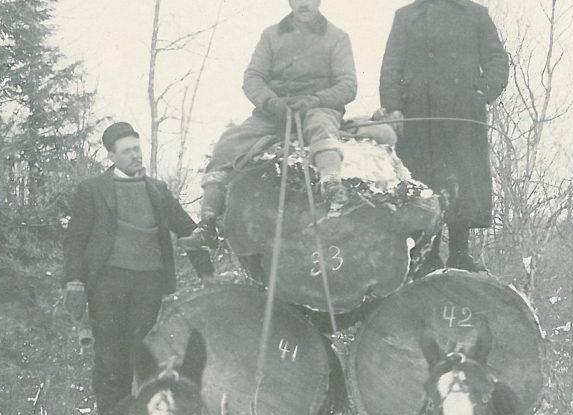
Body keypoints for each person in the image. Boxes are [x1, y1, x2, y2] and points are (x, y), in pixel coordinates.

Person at [62, 121, 214, 415]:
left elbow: (187, 231)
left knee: (145, 363)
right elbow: (75, 240)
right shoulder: (93, 190)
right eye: (128, 151)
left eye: (137, 149)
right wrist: (74, 281)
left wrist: (207, 274)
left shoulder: (157, 191)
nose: (136, 155)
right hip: (108, 286)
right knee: (110, 364)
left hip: (149, 287)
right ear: (112, 155)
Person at [179, 0, 357, 249]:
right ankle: (207, 223)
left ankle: (331, 184)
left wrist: (316, 100)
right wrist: (270, 102)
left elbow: (348, 84)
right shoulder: (271, 35)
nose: (304, 3)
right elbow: (253, 77)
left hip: (316, 107)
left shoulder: (337, 37)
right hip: (273, 113)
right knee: (228, 143)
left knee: (322, 128)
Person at [378, 0, 509, 272]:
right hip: (419, 116)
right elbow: (391, 66)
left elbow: (497, 59)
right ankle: (427, 253)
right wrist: (393, 107)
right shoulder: (407, 17)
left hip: (461, 114)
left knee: (461, 181)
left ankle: (460, 253)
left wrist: (483, 92)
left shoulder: (475, 15)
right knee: (424, 183)